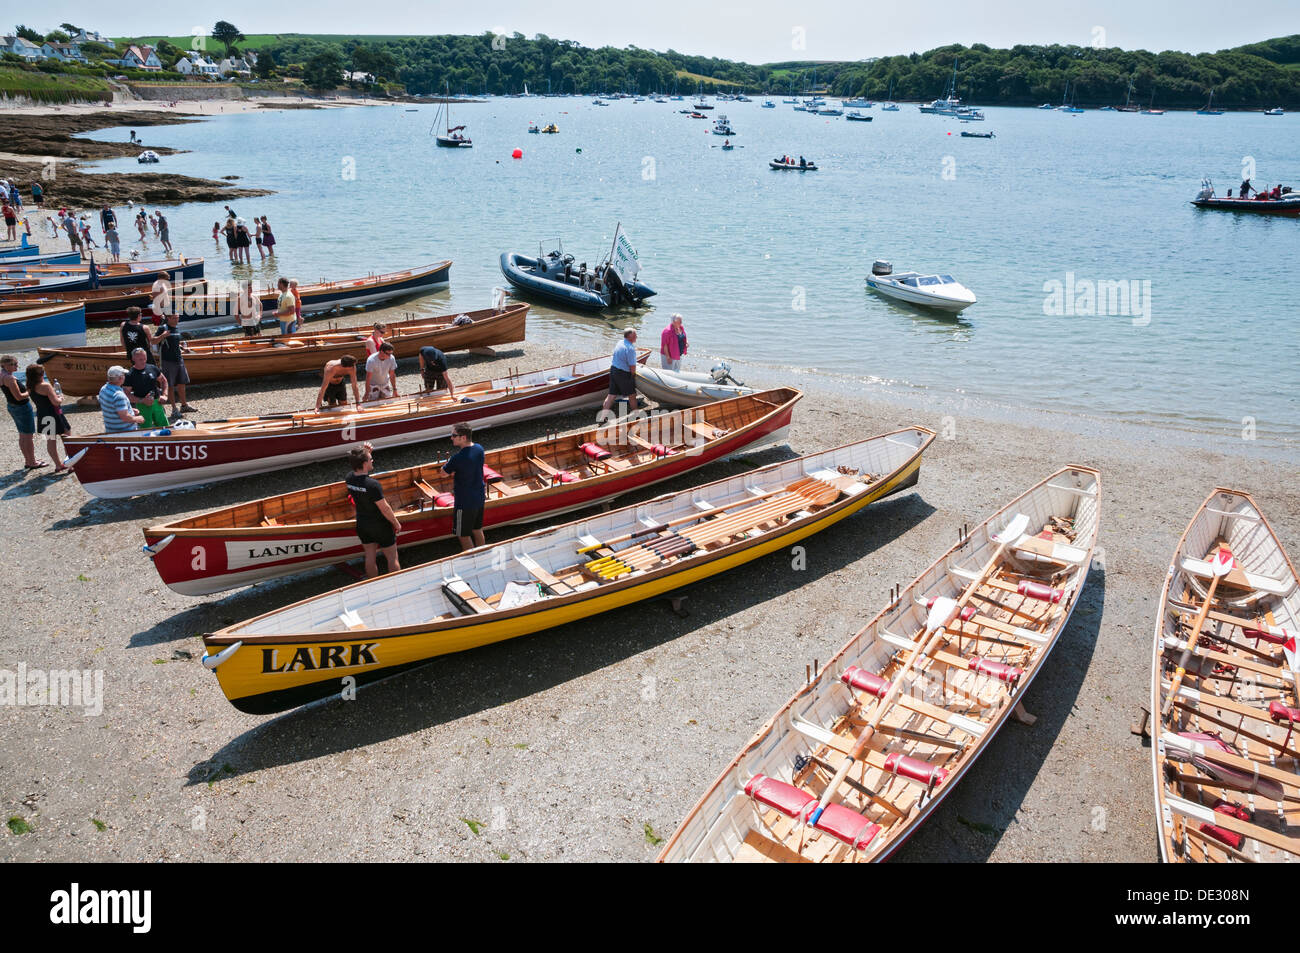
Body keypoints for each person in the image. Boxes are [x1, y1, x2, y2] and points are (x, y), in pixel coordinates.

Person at [345, 443, 401, 578]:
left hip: (363, 525)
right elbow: (385, 508)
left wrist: (365, 452)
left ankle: (372, 584)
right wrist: (396, 523)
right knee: (392, 558)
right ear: (364, 463)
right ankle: (397, 584)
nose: (372, 460)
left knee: (370, 557)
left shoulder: (349, 478)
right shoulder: (373, 485)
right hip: (380, 526)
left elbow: (359, 467)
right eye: (370, 459)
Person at [442, 422, 486, 550]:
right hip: (479, 497)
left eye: (454, 435)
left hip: (464, 502)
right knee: (477, 529)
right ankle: (482, 555)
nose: (451, 438)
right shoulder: (479, 449)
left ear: (463, 437)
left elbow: (443, 473)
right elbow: (470, 466)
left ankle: (472, 561)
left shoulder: (457, 458)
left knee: (463, 535)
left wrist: (450, 463)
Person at [1, 355, 42, 469]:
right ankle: (32, 462)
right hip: (21, 408)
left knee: (22, 435)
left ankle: (28, 460)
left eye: (16, 363)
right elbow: (19, 397)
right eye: (13, 364)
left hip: (12, 407)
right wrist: (30, 391)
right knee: (28, 436)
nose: (16, 366)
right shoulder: (10, 379)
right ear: (3, 365)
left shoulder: (2, 375)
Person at [26, 364, 70, 471]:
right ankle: (70, 464)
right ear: (41, 374)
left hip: (43, 416)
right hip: (55, 415)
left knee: (50, 441)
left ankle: (58, 465)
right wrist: (61, 398)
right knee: (67, 437)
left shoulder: (29, 386)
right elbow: (55, 402)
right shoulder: (45, 386)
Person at [152, 312, 196, 419]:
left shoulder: (176, 328)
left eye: (177, 318)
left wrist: (183, 348)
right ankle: (174, 409)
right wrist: (163, 335)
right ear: (168, 318)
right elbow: (153, 341)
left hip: (179, 359)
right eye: (174, 318)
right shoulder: (163, 328)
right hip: (167, 361)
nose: (177, 320)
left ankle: (184, 405)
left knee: (182, 383)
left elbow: (175, 342)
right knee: (170, 385)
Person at [123, 347, 169, 429]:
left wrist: (165, 395)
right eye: (140, 359)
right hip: (142, 405)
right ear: (133, 359)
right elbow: (126, 395)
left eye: (145, 358)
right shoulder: (130, 375)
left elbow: (163, 381)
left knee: (164, 427)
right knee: (145, 429)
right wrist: (142, 400)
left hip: (157, 402)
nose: (143, 361)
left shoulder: (152, 368)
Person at [600, 328, 640, 416]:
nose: (636, 337)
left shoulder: (620, 342)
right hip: (623, 374)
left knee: (611, 396)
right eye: (635, 335)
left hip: (614, 370)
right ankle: (636, 416)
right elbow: (632, 366)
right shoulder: (630, 349)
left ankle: (602, 417)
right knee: (632, 396)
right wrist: (633, 376)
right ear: (630, 336)